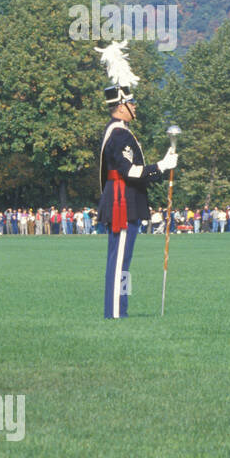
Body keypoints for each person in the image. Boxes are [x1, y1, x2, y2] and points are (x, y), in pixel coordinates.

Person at [98, 85, 176, 319]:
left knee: (123, 261)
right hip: (122, 201)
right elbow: (128, 171)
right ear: (121, 107)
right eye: (131, 103)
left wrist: (160, 168)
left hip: (125, 199)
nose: (134, 106)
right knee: (120, 261)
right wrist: (160, 167)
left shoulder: (120, 131)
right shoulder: (119, 134)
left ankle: (121, 310)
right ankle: (115, 312)